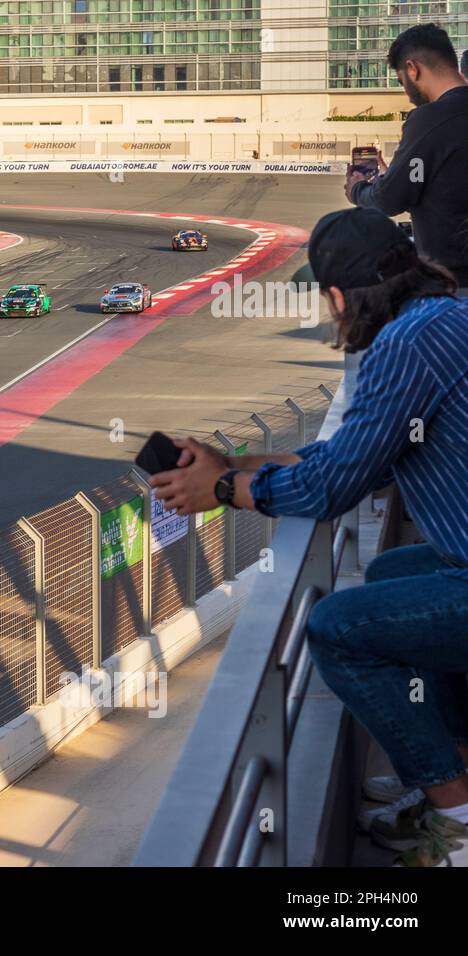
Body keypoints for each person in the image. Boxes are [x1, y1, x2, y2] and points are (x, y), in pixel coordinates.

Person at [151, 207, 468, 866]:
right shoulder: (439, 319)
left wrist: (220, 493)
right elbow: (353, 454)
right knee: (387, 578)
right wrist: (233, 465)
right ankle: (454, 771)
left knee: (336, 627)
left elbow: (331, 489)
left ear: (336, 296)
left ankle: (459, 825)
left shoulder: (404, 346)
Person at [344, 24, 468, 287]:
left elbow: (388, 200)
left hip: (454, 281)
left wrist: (357, 189)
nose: (406, 92)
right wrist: (401, 172)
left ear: (413, 69)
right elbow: (431, 175)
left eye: (402, 81)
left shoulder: (430, 119)